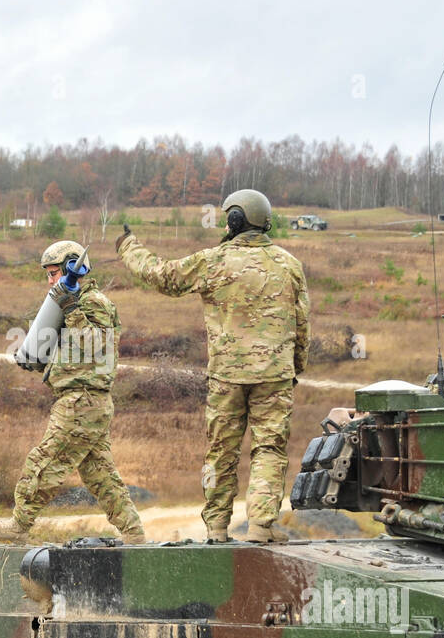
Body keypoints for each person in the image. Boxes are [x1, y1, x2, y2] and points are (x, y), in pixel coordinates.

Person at [115, 189, 309, 542]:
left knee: (221, 452)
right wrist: (295, 366)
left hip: (226, 378)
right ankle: (261, 527)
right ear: (263, 221)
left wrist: (129, 246)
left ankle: (217, 529)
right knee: (269, 449)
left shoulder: (212, 261)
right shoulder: (289, 264)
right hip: (275, 377)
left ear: (233, 221)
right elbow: (302, 322)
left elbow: (161, 275)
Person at [0, 240, 146, 544]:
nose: (51, 281)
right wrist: (38, 361)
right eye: (47, 275)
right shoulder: (69, 305)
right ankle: (134, 534)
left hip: (81, 401)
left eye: (55, 272)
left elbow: (97, 348)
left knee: (43, 461)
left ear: (75, 267)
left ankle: (18, 526)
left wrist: (70, 308)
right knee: (101, 475)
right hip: (87, 402)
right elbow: (72, 352)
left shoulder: (93, 302)